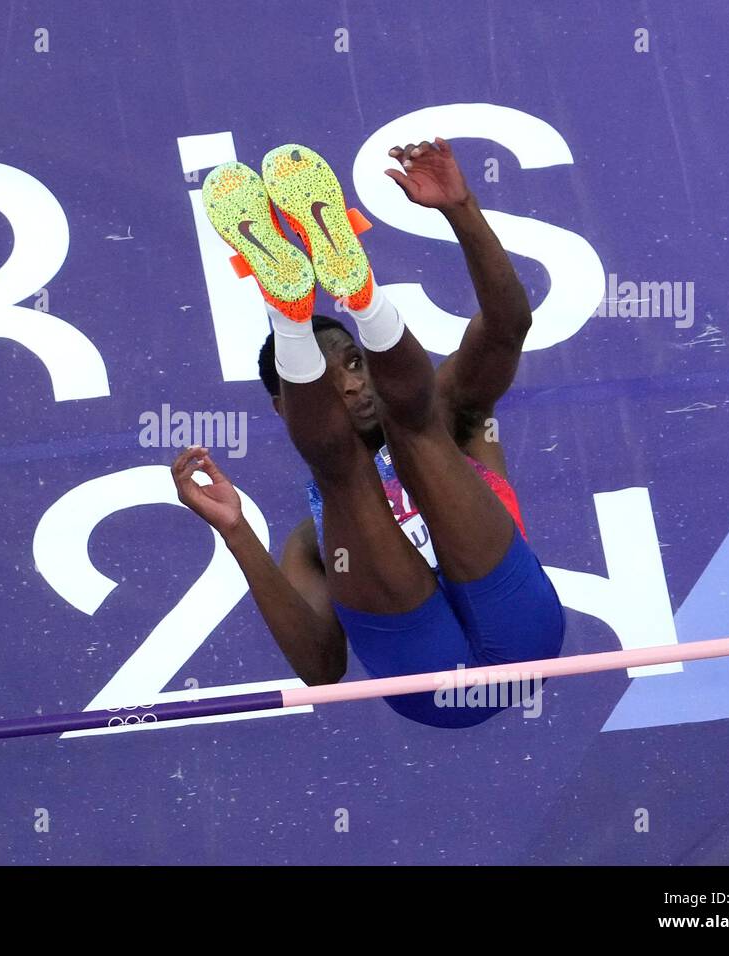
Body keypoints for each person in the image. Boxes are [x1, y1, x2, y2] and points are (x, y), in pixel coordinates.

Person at [171, 139, 564, 727]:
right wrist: (237, 533)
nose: (353, 386)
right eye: (331, 381)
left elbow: (508, 325)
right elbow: (322, 668)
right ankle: (296, 311)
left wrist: (461, 209)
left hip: (518, 625)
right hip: (431, 683)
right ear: (286, 410)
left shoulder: (455, 409)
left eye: (354, 363)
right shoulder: (312, 543)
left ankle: (351, 298)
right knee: (347, 478)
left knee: (413, 423)